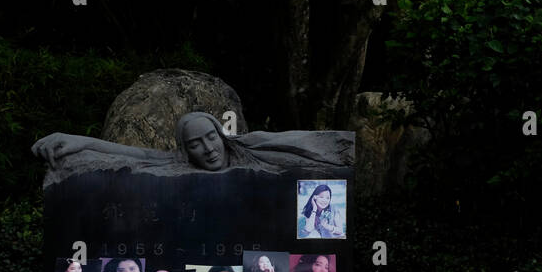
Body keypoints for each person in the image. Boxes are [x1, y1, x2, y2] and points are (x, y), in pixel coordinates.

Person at [31, 111, 355, 175]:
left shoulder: (253, 149)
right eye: (196, 144)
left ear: (221, 135)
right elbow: (132, 154)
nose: (209, 148)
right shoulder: (178, 166)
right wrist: (76, 141)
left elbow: (309, 143)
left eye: (212, 137)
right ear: (186, 151)